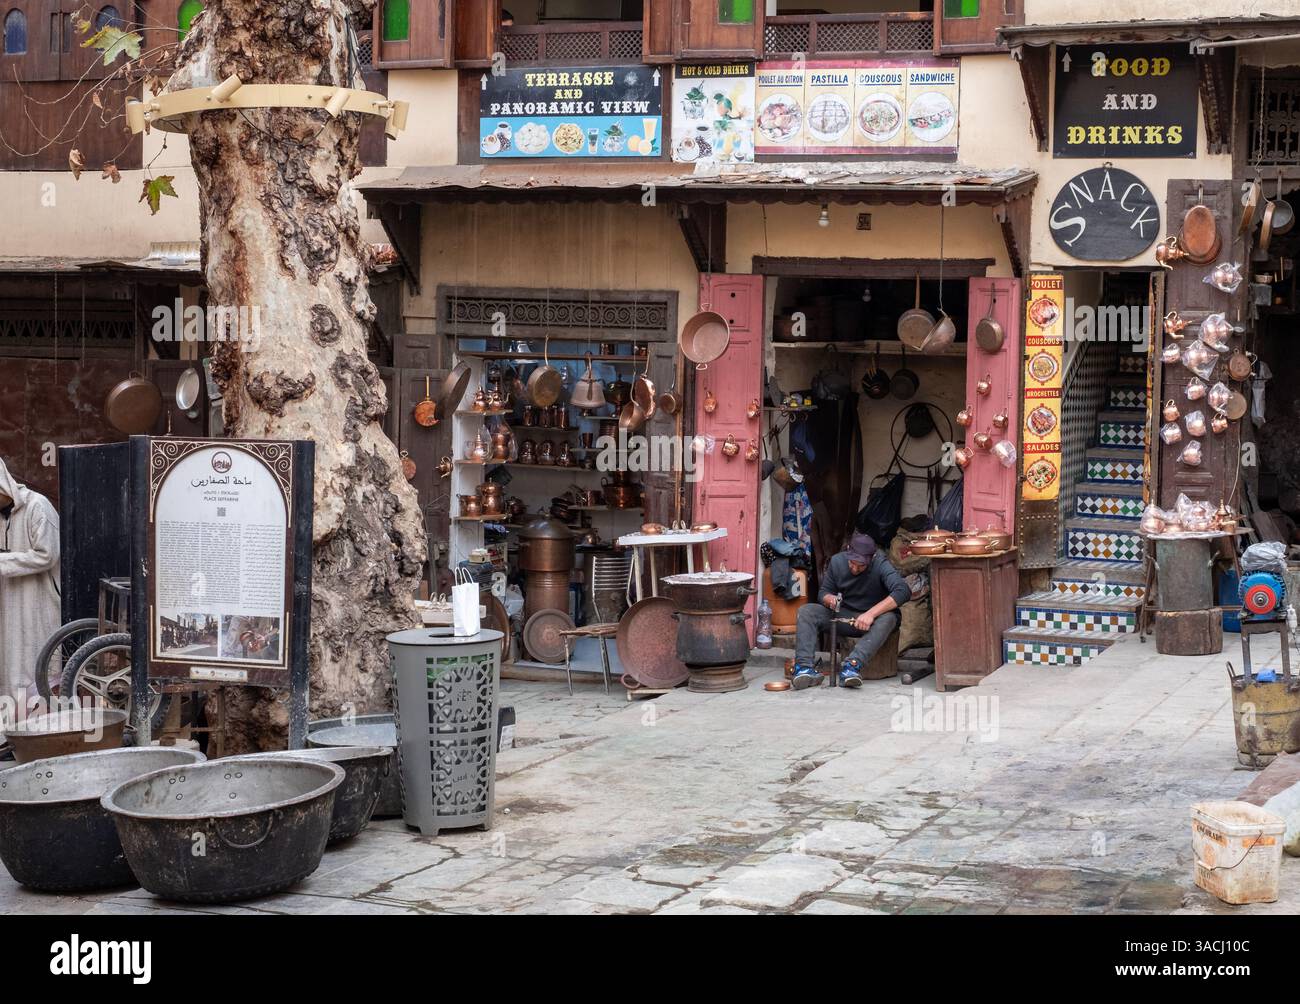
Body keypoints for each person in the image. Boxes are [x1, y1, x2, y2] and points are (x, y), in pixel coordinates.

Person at [792, 531, 909, 689]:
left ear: (872, 558)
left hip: (874, 621)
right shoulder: (837, 562)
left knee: (889, 618)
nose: (854, 568)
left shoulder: (880, 563)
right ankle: (804, 669)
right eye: (852, 563)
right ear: (848, 551)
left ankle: (851, 667)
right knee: (807, 611)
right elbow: (823, 593)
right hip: (847, 618)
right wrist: (829, 599)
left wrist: (870, 614)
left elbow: (903, 591)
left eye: (861, 565)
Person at [0, 459, 60, 708]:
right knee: (11, 660)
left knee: (37, 661)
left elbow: (47, 555)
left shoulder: (38, 507)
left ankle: (40, 727)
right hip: (10, 602)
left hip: (39, 601)